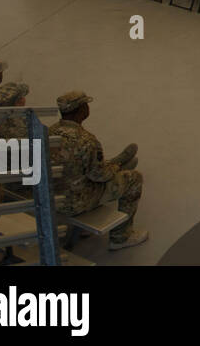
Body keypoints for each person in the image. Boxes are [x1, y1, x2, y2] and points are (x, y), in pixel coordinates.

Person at [48, 91, 147, 250]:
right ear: (81, 110)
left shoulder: (49, 132)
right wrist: (113, 169)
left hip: (52, 198)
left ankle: (114, 164)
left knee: (85, 167)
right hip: (76, 201)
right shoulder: (86, 140)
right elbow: (99, 176)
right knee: (134, 179)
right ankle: (121, 237)